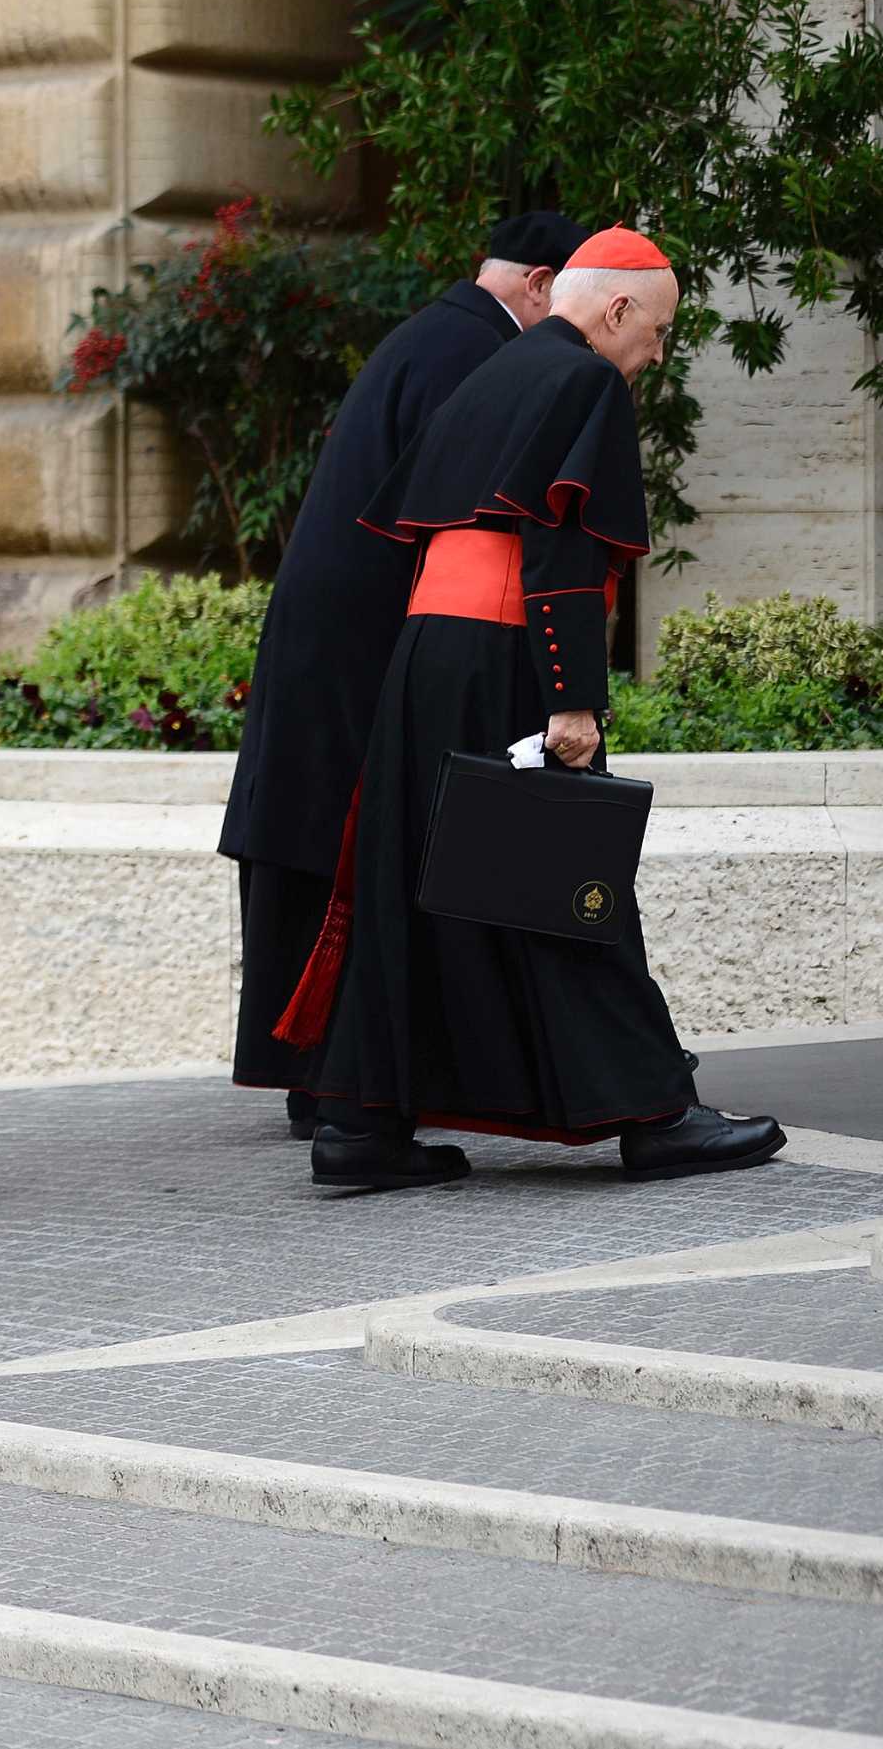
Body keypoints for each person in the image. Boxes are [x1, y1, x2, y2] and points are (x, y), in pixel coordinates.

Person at [276, 229, 785, 1189]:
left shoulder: (498, 370)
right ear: (618, 310)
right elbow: (560, 542)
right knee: (567, 875)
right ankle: (656, 1112)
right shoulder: (586, 381)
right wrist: (575, 704)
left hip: (428, 654)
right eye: (662, 333)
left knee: (410, 883)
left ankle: (359, 1125)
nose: (658, 355)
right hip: (506, 648)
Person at [224, 211, 591, 1134]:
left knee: (328, 847)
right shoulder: (476, 351)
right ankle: (344, 1086)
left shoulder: (439, 335)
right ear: (543, 285)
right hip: (374, 640)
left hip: (340, 635)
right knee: (354, 849)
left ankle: (336, 1083)